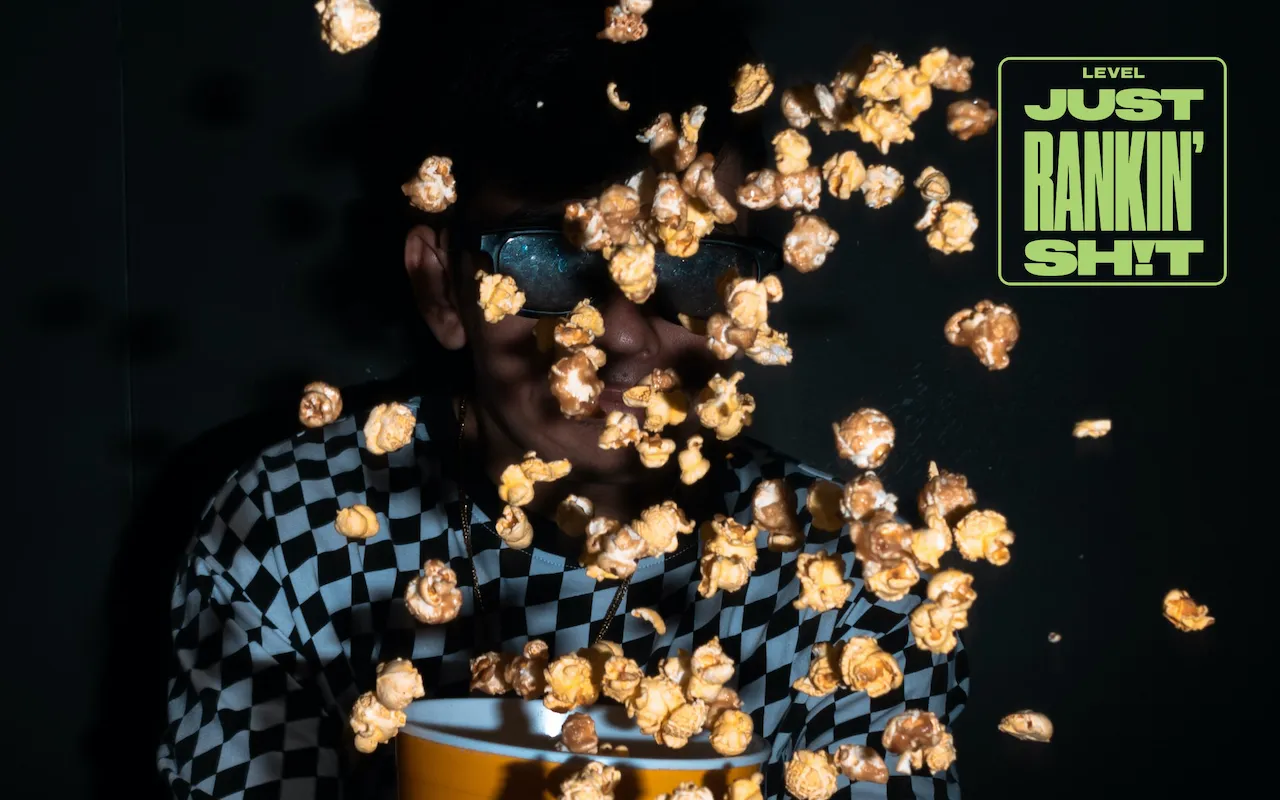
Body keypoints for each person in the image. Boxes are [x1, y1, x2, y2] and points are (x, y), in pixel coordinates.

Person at [157, 1, 967, 797]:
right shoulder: (292, 530)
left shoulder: (858, 583)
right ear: (443, 287)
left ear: (750, 307)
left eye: (691, 263)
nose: (620, 332)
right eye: (549, 260)